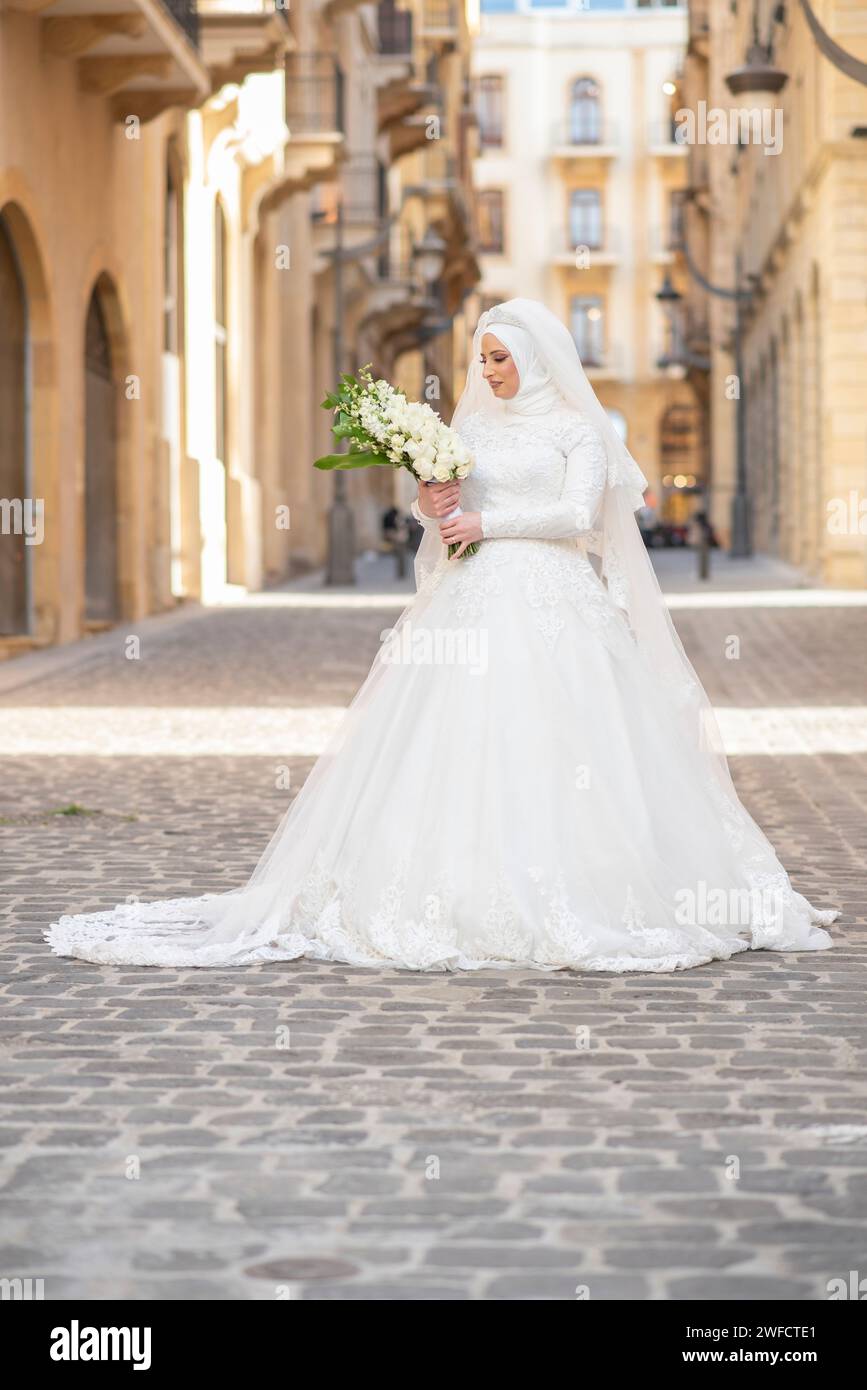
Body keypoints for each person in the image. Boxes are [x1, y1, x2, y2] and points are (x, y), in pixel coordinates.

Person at [45, 299, 837, 972]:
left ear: (532, 357)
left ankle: (599, 885)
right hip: (470, 598)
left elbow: (573, 517)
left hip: (551, 597)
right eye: (481, 358)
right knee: (449, 736)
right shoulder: (473, 428)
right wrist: (434, 500)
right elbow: (441, 519)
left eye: (497, 358)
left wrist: (484, 518)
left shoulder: (576, 433)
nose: (486, 371)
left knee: (568, 738)